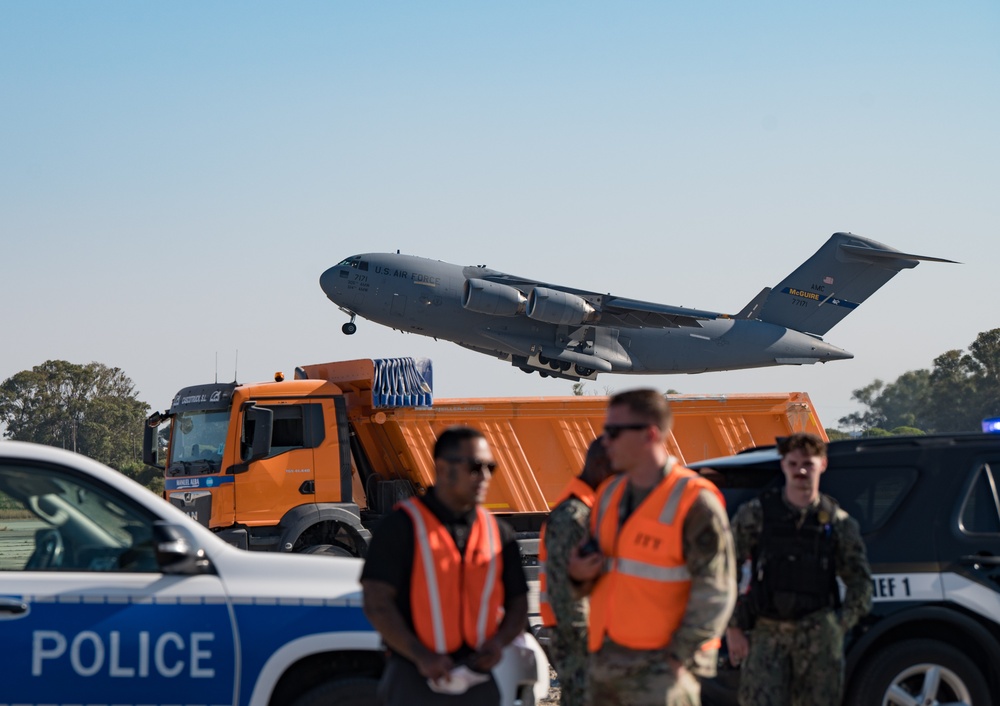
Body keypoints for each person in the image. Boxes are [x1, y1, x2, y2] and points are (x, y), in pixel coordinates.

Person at [568, 389, 737, 706]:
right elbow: (601, 575)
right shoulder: (608, 495)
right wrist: (579, 576)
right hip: (607, 663)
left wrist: (676, 659)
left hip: (661, 672)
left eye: (614, 432)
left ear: (650, 435)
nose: (606, 441)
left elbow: (717, 590)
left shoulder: (695, 501)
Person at [361, 426, 529, 705]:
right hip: (415, 680)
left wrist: (498, 644)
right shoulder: (400, 527)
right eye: (475, 467)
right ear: (442, 467)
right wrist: (421, 655)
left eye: (491, 467)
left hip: (479, 680)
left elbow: (518, 602)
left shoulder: (499, 533)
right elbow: (376, 602)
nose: (485, 477)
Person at [726, 432, 872, 706]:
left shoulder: (839, 523)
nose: (800, 471)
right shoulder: (755, 514)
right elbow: (724, 571)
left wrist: (839, 627)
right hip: (767, 635)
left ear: (823, 465)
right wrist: (734, 627)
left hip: (818, 637)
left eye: (808, 464)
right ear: (783, 465)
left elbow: (860, 583)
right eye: (793, 464)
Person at [538, 438, 616, 706]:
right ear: (600, 466)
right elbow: (567, 598)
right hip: (580, 643)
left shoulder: (589, 511)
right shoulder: (573, 516)